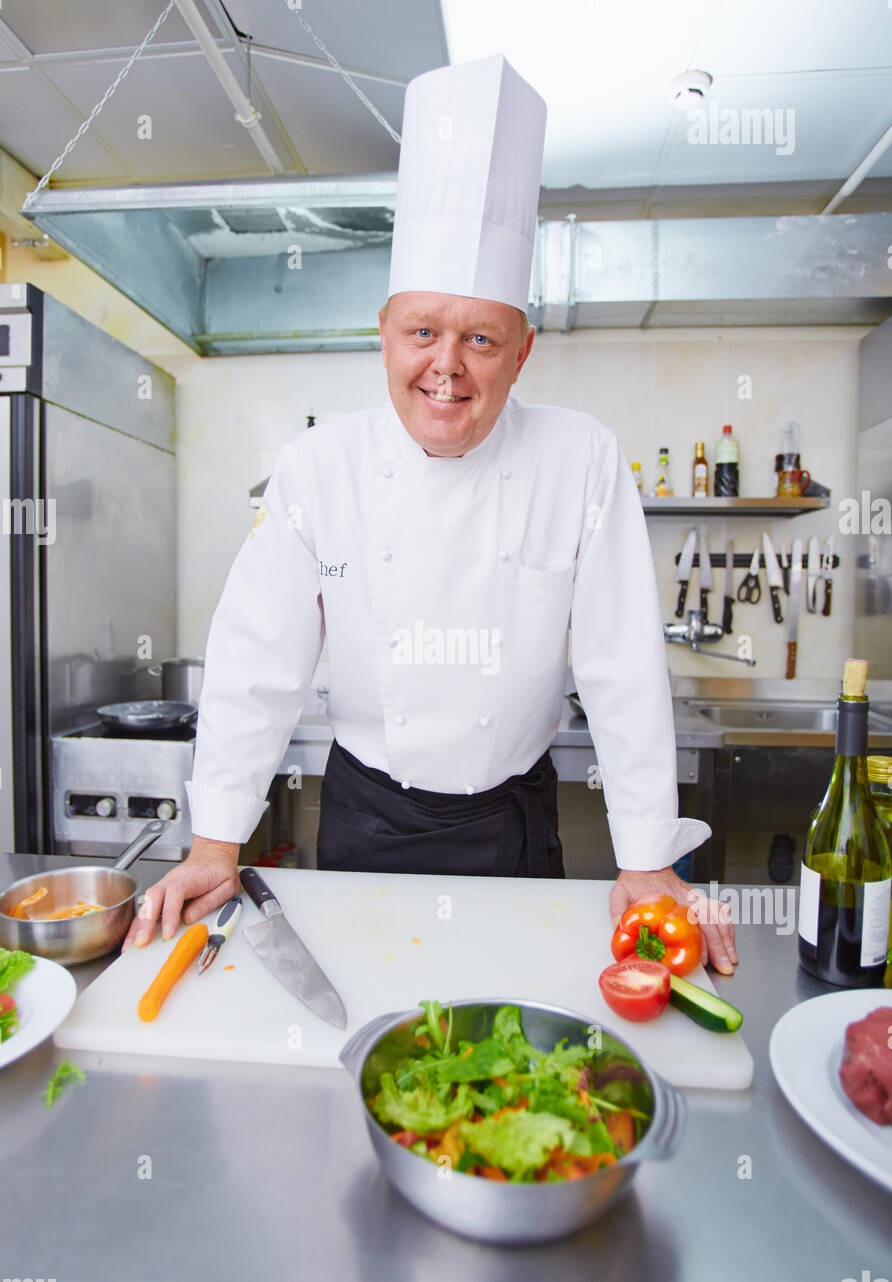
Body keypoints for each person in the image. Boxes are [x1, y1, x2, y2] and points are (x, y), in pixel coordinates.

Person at [127, 54, 736, 973]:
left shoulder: (582, 460)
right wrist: (216, 841)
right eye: (422, 332)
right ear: (384, 334)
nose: (446, 367)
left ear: (522, 351)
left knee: (509, 1044)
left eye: (480, 338)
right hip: (371, 819)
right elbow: (257, 663)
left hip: (513, 825)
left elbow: (621, 665)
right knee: (373, 1032)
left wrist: (647, 857)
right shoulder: (317, 469)